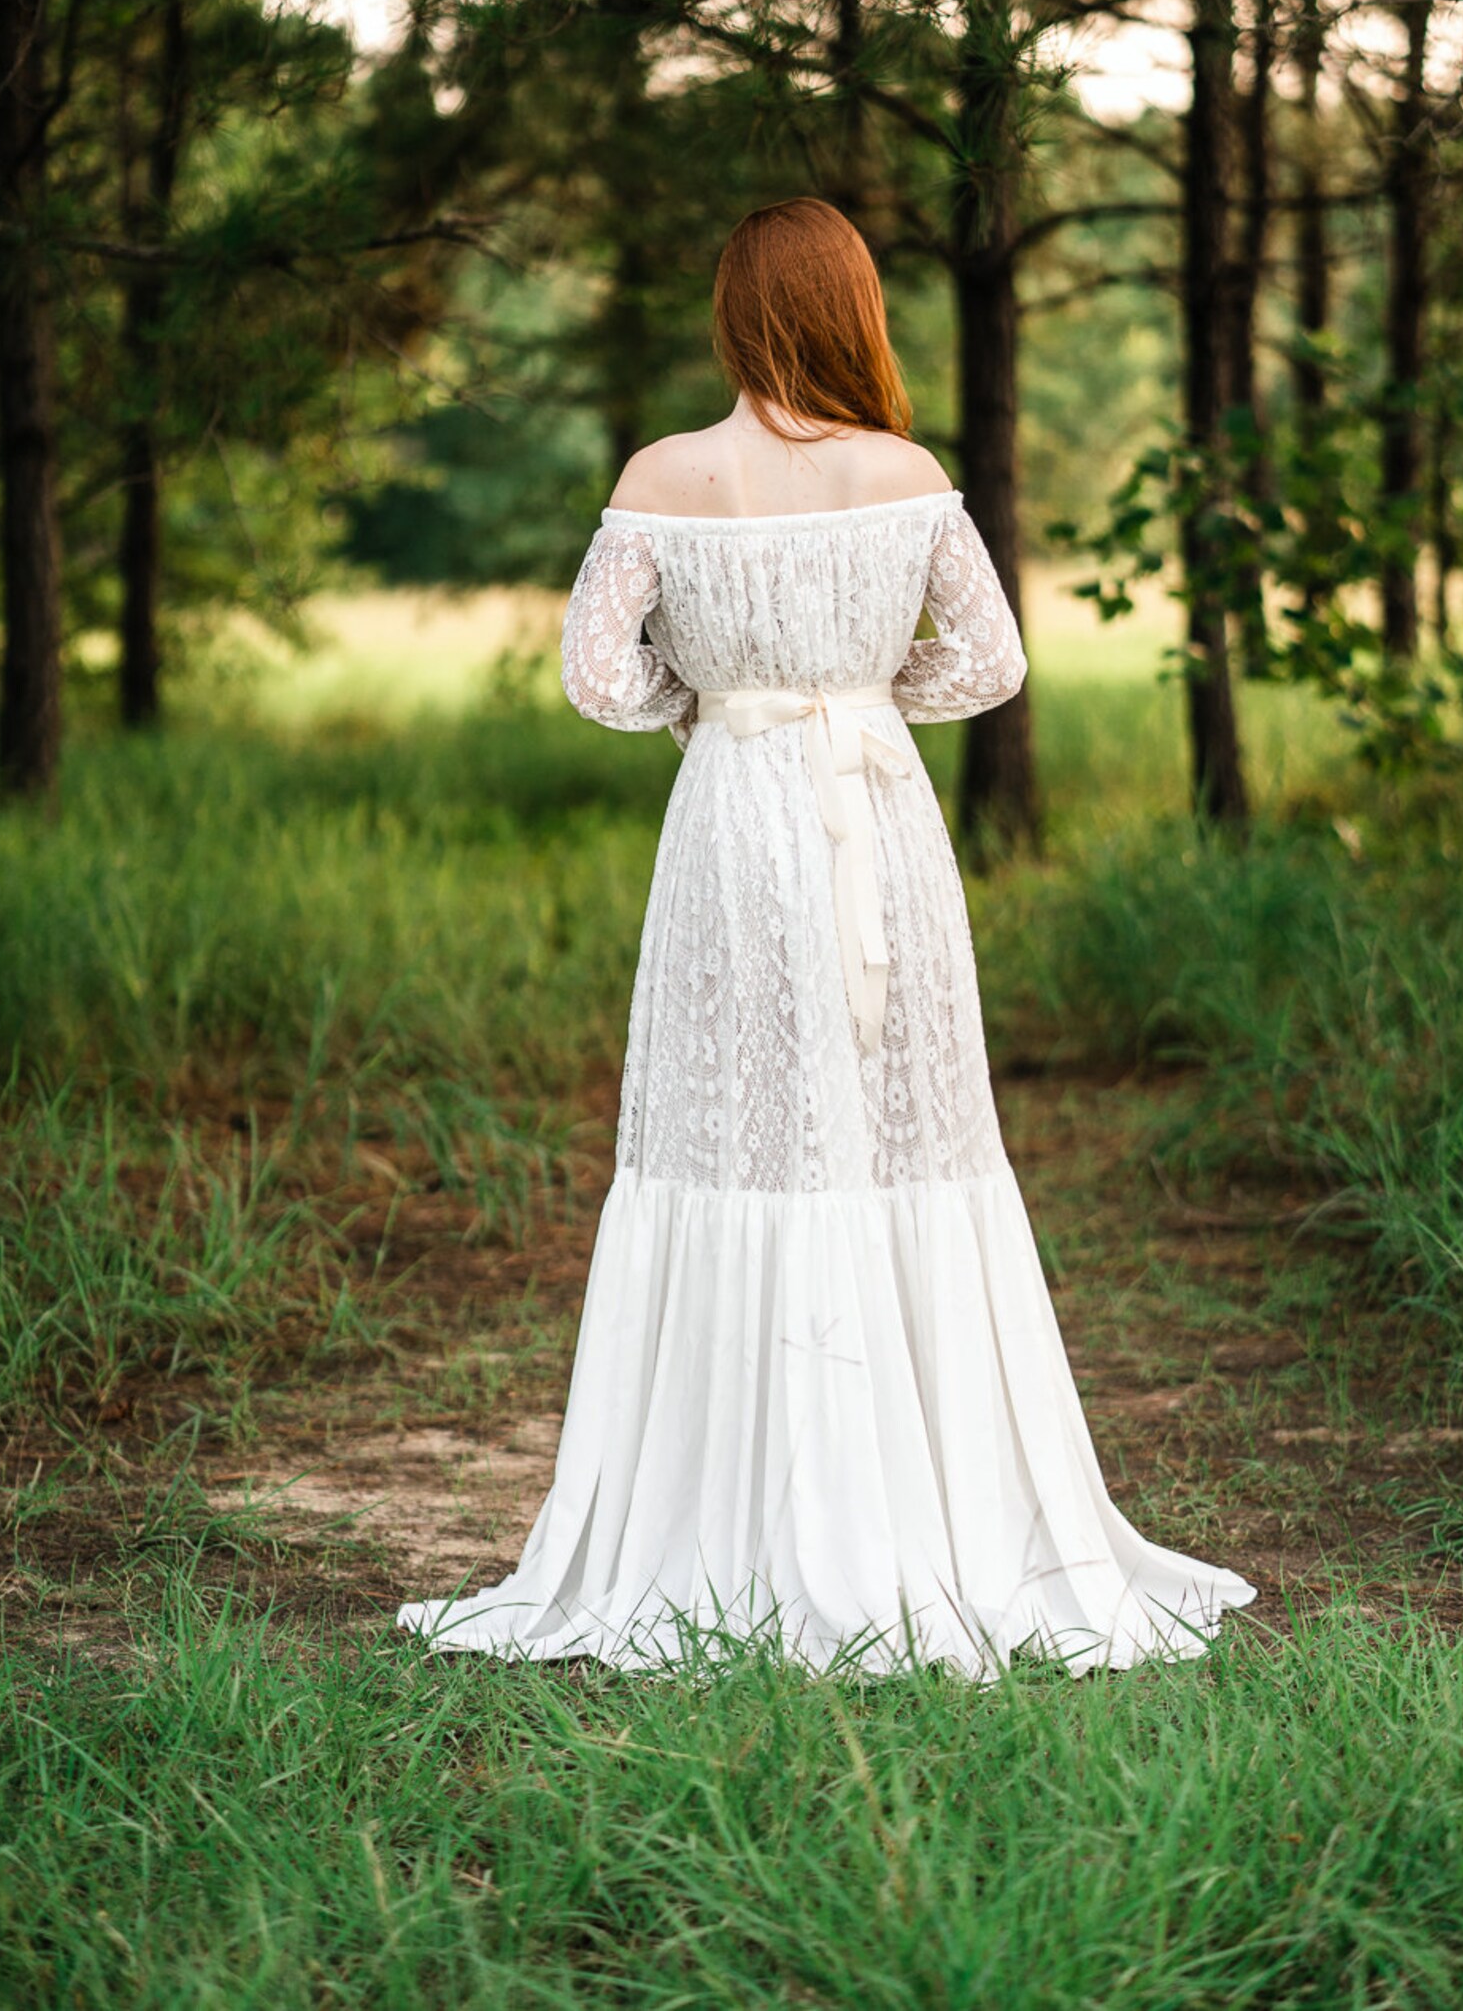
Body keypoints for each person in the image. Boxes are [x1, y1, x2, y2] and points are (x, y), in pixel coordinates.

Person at [397, 196, 1254, 1675]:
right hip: (879, 813)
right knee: (892, 1133)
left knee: (741, 1135)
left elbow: (594, 674)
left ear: (736, 314)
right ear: (853, 311)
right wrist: (858, 701)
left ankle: (719, 1510)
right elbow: (991, 662)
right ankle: (929, 1495)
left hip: (731, 822)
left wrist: (712, 710)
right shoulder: (904, 471)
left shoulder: (666, 472)